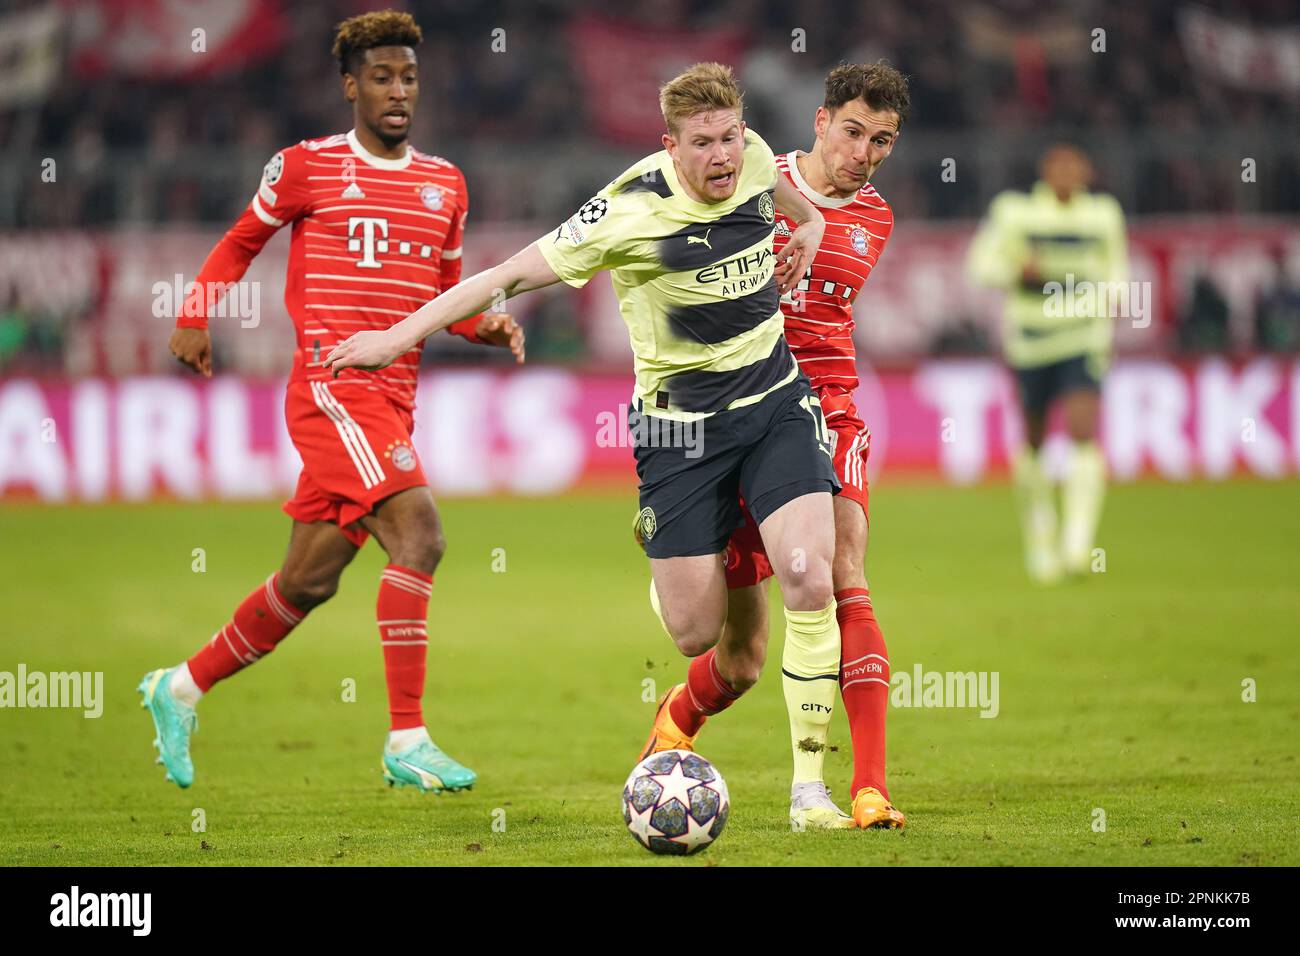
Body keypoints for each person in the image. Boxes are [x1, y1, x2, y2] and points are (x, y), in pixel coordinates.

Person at [326, 64, 843, 839]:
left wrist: (810, 226)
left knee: (810, 579)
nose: (723, 157)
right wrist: (396, 339)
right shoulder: (625, 211)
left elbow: (789, 196)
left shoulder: (758, 158)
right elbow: (502, 275)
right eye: (702, 143)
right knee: (699, 637)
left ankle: (811, 794)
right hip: (677, 430)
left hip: (773, 401)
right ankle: (689, 550)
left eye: (730, 136)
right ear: (670, 146)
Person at [140, 10, 524, 791]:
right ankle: (407, 738)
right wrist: (193, 315)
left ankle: (178, 686)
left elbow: (443, 292)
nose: (397, 91)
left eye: (408, 77)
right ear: (350, 85)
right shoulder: (306, 166)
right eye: (381, 77)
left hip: (395, 393)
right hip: (333, 386)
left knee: (306, 583)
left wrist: (486, 324)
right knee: (420, 534)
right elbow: (241, 238)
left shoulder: (445, 182)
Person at [643, 62, 910, 830]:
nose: (863, 152)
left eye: (882, 140)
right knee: (741, 657)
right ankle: (674, 722)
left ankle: (865, 789)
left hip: (825, 408)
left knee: (842, 572)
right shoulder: (751, 174)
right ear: (821, 122)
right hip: (734, 411)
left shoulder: (879, 219)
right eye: (853, 131)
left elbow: (825, 316)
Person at [967, 144, 1127, 583]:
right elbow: (981, 265)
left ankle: (1077, 545)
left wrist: (1104, 308)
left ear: (1086, 171)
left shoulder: (1103, 215)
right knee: (1034, 440)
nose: (1065, 173)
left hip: (1082, 337)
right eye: (1057, 165)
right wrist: (1017, 271)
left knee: (1082, 431)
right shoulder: (1014, 214)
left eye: (1074, 165)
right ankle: (1041, 537)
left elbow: (1118, 273)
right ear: (1045, 170)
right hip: (1030, 342)